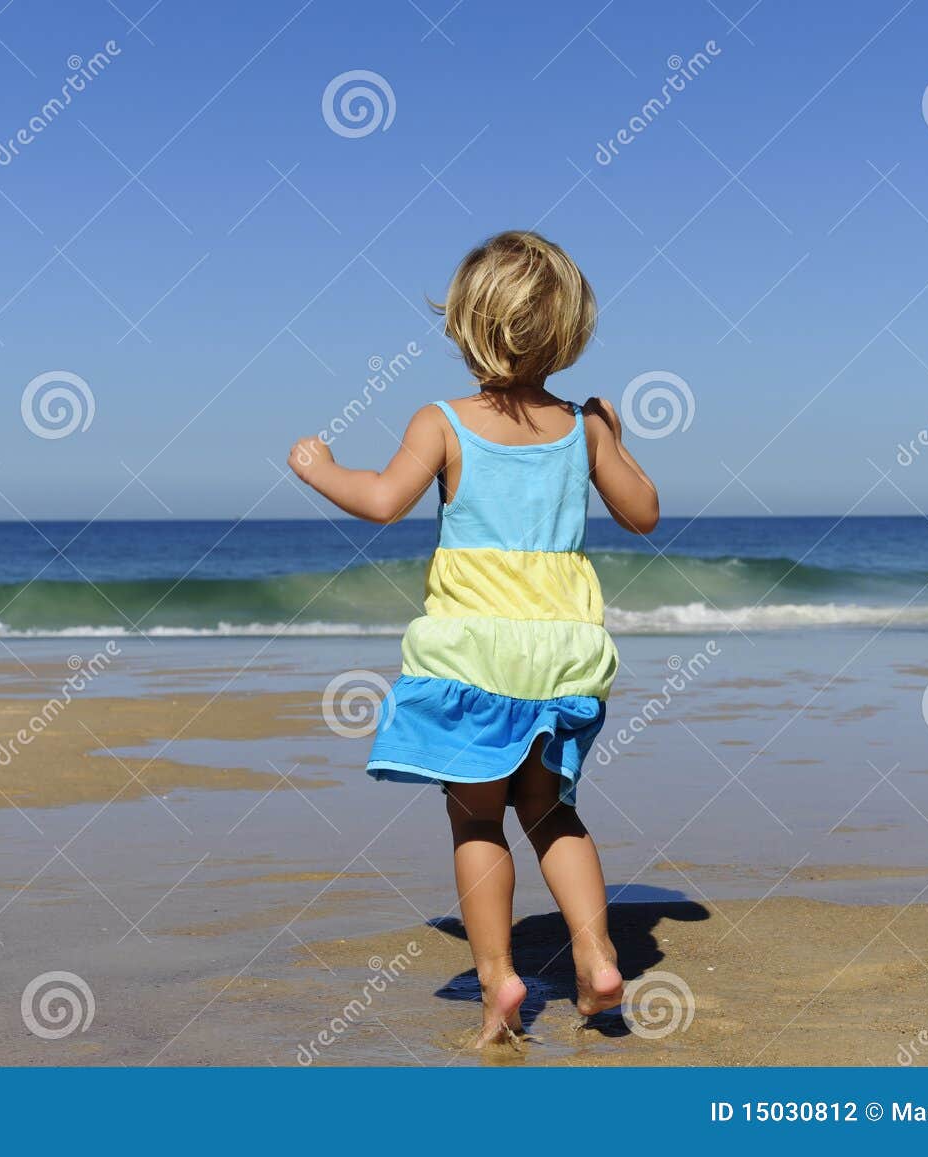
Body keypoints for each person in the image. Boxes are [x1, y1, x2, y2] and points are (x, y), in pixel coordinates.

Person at [289, 230, 659, 1044]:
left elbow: (384, 500)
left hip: (473, 655)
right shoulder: (582, 426)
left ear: (465, 325)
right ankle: (598, 956)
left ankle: (498, 980)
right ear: (568, 329)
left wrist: (321, 471)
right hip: (563, 650)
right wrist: (613, 437)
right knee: (553, 808)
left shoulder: (443, 421)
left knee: (476, 820)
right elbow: (644, 513)